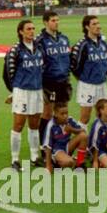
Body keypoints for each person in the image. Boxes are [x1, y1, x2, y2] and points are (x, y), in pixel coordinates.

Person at [3, 19, 44, 171]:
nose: (32, 31)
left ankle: (34, 156)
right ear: (21, 31)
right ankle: (15, 159)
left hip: (37, 90)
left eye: (33, 28)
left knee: (34, 125)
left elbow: (43, 68)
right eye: (28, 29)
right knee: (18, 124)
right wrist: (14, 90)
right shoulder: (15, 50)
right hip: (22, 91)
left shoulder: (39, 48)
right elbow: (8, 72)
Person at [35, 11, 72, 161]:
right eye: (52, 20)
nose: (56, 22)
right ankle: (44, 146)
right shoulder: (40, 40)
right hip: (49, 82)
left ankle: (61, 143)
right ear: (45, 22)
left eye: (57, 20)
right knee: (47, 114)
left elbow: (67, 60)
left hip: (63, 80)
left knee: (62, 113)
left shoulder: (64, 39)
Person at [70, 15, 107, 126]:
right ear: (87, 27)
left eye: (98, 23)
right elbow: (74, 66)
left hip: (102, 83)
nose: (98, 26)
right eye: (94, 24)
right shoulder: (82, 45)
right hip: (87, 85)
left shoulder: (103, 43)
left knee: (103, 115)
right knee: (85, 117)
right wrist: (84, 78)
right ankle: (82, 142)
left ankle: (98, 141)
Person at [42, 101, 88, 170]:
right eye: (62, 114)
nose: (65, 116)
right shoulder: (51, 125)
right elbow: (48, 147)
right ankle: (56, 163)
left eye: (66, 113)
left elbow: (83, 131)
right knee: (69, 162)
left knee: (83, 136)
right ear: (56, 114)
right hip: (57, 151)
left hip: (67, 146)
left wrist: (72, 130)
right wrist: (48, 166)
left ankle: (79, 164)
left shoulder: (70, 120)